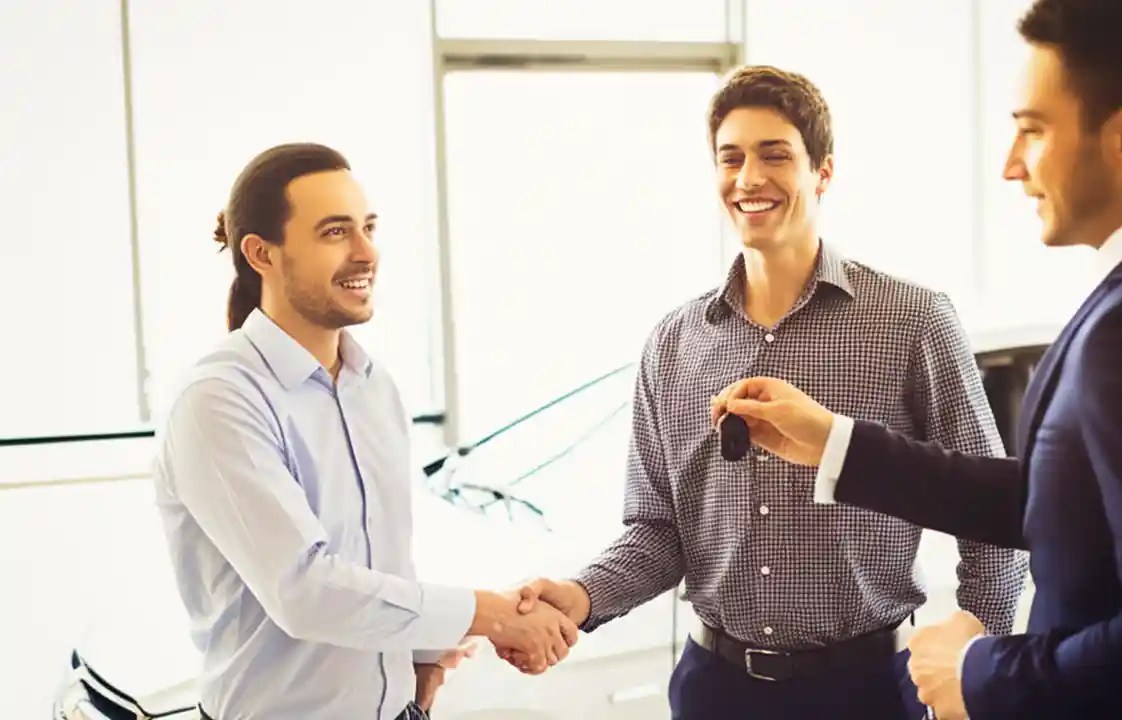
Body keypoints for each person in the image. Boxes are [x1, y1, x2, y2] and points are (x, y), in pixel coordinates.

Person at [712, 2, 1122, 719]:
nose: (1012, 166)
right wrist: (836, 444)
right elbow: (1064, 501)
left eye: (1032, 131)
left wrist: (978, 671)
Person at [513, 66, 1028, 719]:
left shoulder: (911, 322)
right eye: (731, 158)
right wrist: (580, 596)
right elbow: (658, 531)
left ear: (824, 172)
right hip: (714, 690)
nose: (748, 178)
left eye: (774, 155)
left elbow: (991, 519)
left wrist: (977, 662)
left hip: (867, 692)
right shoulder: (675, 343)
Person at [152, 143, 578, 720]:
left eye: (368, 227)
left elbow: (381, 565)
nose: (366, 252)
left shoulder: (372, 386)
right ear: (261, 253)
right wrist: (493, 612)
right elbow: (305, 591)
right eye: (334, 233)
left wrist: (423, 653)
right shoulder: (218, 400)